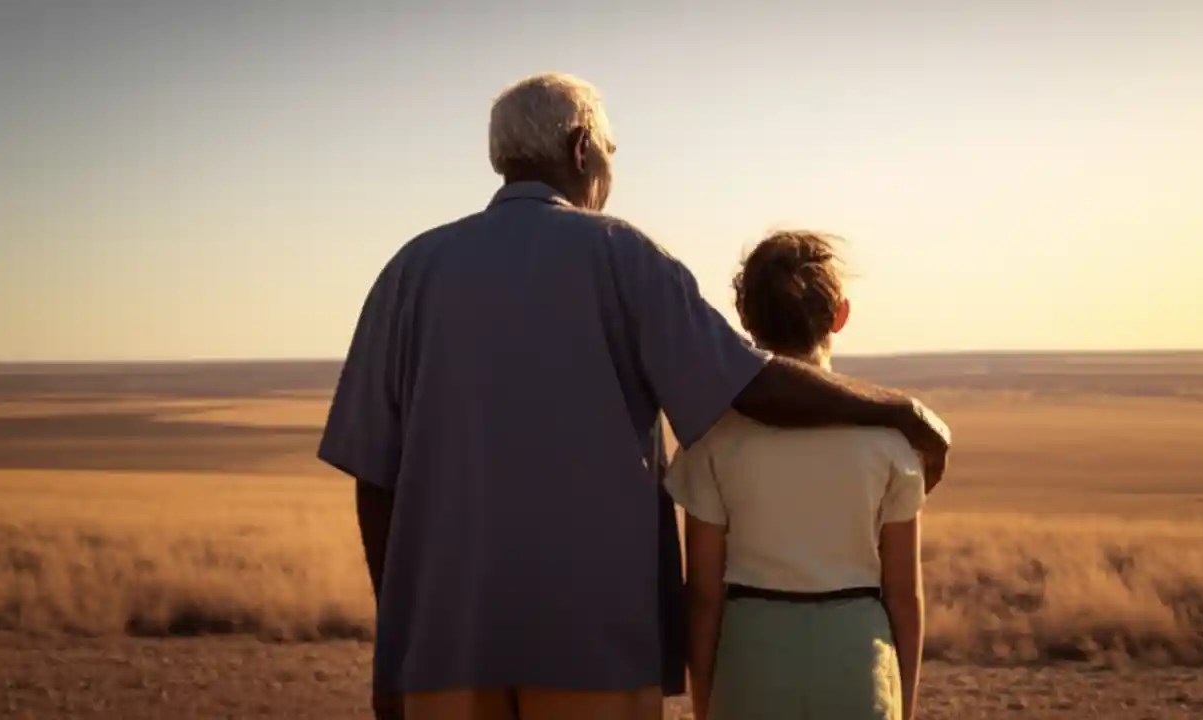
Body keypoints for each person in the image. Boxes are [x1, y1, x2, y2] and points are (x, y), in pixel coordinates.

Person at [318, 73, 949, 720]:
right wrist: (899, 411)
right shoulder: (623, 257)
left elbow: (376, 480)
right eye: (611, 151)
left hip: (442, 650)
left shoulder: (409, 272)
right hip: (595, 644)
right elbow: (754, 384)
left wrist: (398, 649)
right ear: (582, 148)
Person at [666, 231, 931, 720]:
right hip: (857, 659)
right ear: (840, 316)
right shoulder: (890, 442)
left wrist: (706, 702)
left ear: (744, 318)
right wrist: (903, 702)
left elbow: (702, 596)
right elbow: (904, 597)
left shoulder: (714, 437)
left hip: (752, 659)